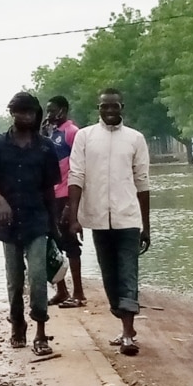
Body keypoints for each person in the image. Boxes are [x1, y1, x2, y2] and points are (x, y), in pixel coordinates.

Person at [67, 88, 151, 356]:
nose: (110, 110)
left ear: (122, 107)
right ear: (99, 109)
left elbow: (143, 183)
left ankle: (128, 334)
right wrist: (74, 217)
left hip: (128, 219)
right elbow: (76, 177)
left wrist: (146, 225)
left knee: (128, 273)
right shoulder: (85, 137)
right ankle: (122, 317)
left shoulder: (135, 139)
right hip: (98, 220)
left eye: (114, 106)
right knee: (109, 278)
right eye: (105, 107)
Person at [0, 91, 61, 354]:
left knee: (38, 276)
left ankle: (40, 331)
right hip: (8, 222)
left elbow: (50, 189)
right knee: (15, 279)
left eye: (30, 113)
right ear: (12, 113)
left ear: (36, 114)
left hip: (37, 219)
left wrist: (55, 225)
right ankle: (17, 323)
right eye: (20, 112)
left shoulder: (46, 147)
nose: (26, 117)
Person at [45, 95, 86, 308]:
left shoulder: (72, 133)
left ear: (62, 110)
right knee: (52, 243)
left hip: (65, 196)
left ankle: (78, 293)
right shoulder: (49, 134)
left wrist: (72, 204)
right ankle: (61, 290)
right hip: (50, 196)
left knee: (70, 243)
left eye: (51, 111)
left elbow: (79, 168)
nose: (49, 115)